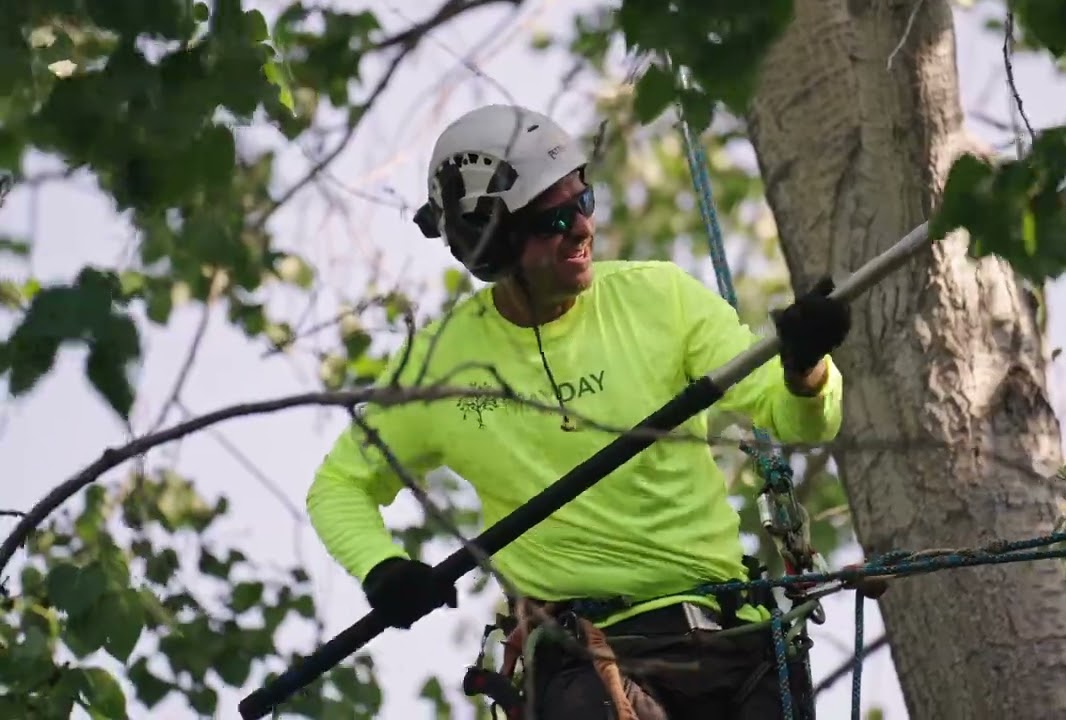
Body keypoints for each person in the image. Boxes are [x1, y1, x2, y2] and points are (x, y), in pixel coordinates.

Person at [305, 104, 852, 719]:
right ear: (490, 239)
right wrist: (383, 569)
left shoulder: (659, 296)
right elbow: (340, 486)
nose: (583, 226)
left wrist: (806, 367)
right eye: (555, 218)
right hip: (584, 661)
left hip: (732, 643)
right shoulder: (439, 369)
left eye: (584, 201)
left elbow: (801, 420)